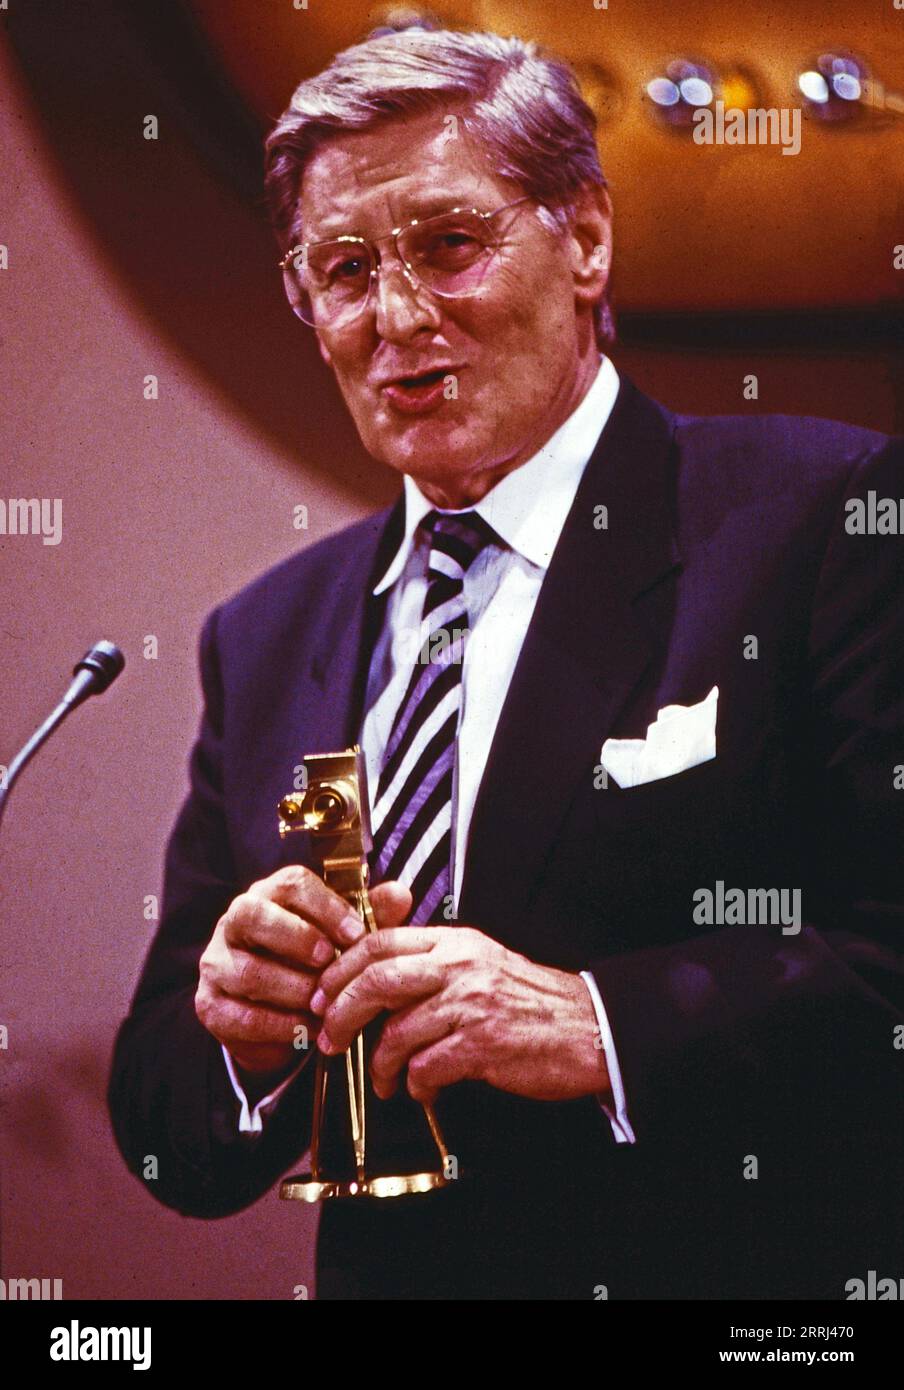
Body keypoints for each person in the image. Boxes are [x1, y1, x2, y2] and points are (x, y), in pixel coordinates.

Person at [108, 26, 904, 1300]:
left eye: (449, 245)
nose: (399, 317)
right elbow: (164, 1129)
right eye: (345, 269)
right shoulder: (261, 636)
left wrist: (602, 1025)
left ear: (585, 238)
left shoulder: (820, 517)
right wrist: (241, 1034)